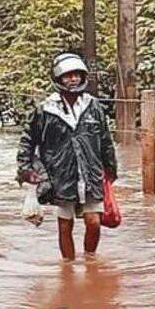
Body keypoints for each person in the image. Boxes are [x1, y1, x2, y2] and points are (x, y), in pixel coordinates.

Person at [18, 52, 117, 260]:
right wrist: (25, 168)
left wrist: (110, 169)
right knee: (65, 224)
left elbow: (105, 140)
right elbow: (28, 140)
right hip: (60, 176)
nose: (73, 79)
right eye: (67, 76)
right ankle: (68, 265)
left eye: (76, 75)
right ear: (58, 79)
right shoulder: (45, 110)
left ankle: (90, 259)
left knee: (94, 221)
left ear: (83, 77)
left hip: (90, 173)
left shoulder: (93, 106)